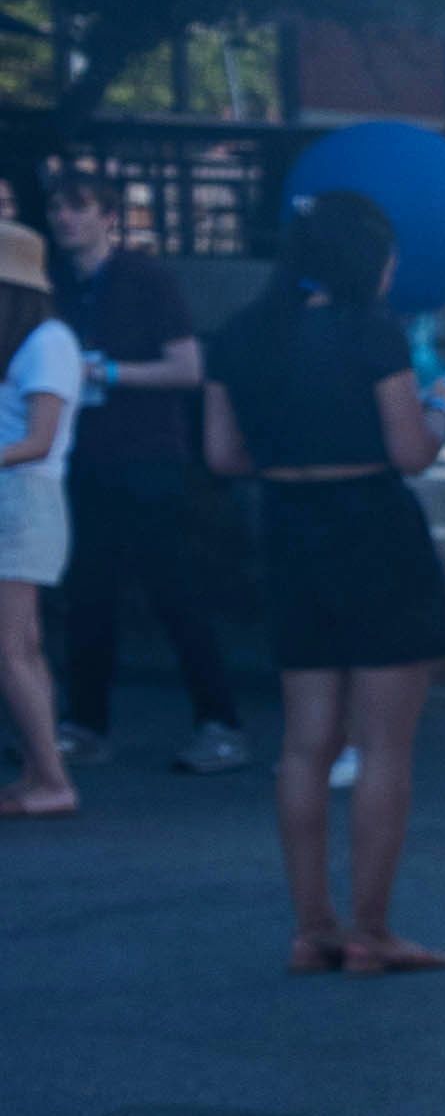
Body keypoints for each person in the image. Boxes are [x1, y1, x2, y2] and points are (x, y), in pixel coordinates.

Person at [200, 189, 445, 972]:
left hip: (287, 527)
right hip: (373, 526)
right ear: (366, 260)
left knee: (306, 742)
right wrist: (442, 407)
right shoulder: (372, 335)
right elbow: (410, 450)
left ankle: (311, 926)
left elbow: (222, 457)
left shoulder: (241, 336)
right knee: (385, 745)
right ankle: (371, 930)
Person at [52, 175, 253, 773]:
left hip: (147, 458)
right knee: (88, 595)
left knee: (173, 592)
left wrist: (108, 374)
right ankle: (86, 725)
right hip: (82, 456)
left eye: (78, 206)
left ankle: (219, 723)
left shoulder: (148, 280)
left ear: (109, 215)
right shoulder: (56, 285)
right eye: (59, 207)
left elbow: (188, 367)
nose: (65, 219)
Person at [0, 252, 76, 817]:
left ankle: (51, 779)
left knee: (14, 649)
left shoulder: (47, 341)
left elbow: (39, 439)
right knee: (22, 645)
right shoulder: (34, 339)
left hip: (23, 497)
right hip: (20, 497)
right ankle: (40, 773)